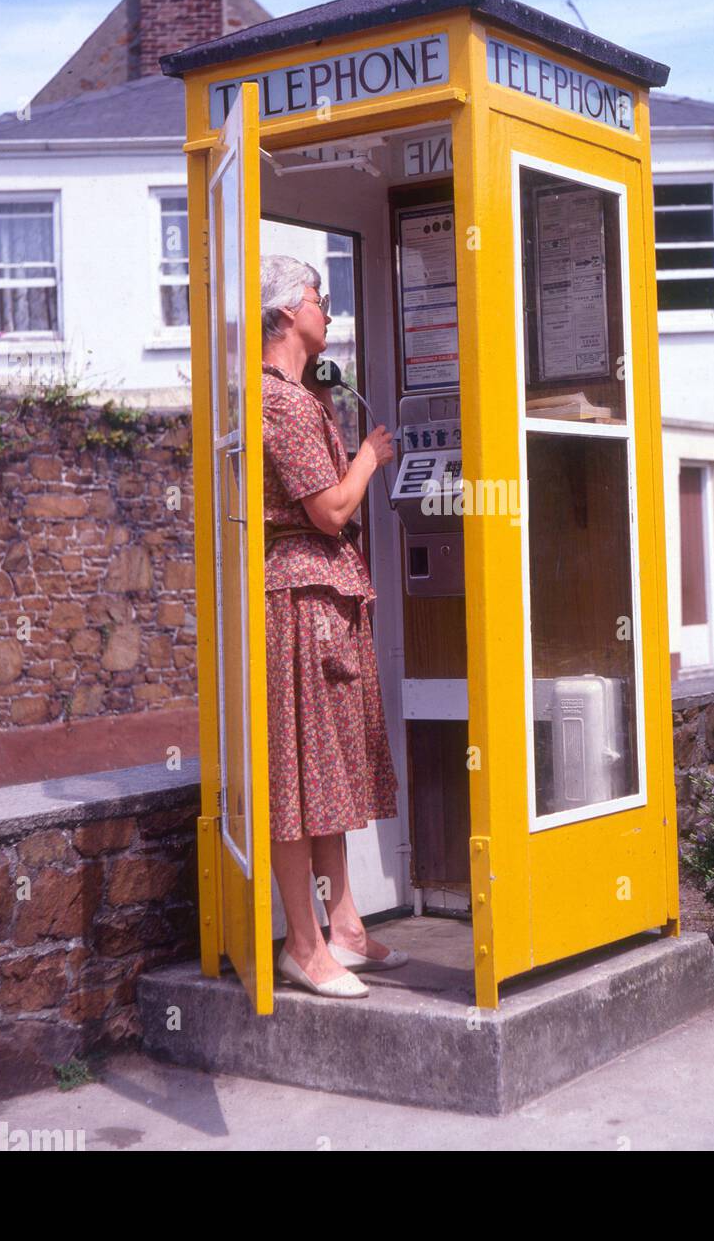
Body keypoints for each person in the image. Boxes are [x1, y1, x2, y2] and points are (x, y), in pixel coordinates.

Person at [259, 254, 405, 999]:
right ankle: (303, 944)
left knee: (327, 769)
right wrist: (373, 456)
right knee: (297, 777)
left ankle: (343, 923)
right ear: (287, 313)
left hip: (326, 598)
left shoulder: (298, 395)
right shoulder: (277, 402)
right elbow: (330, 510)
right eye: (317, 298)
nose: (327, 309)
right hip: (300, 600)